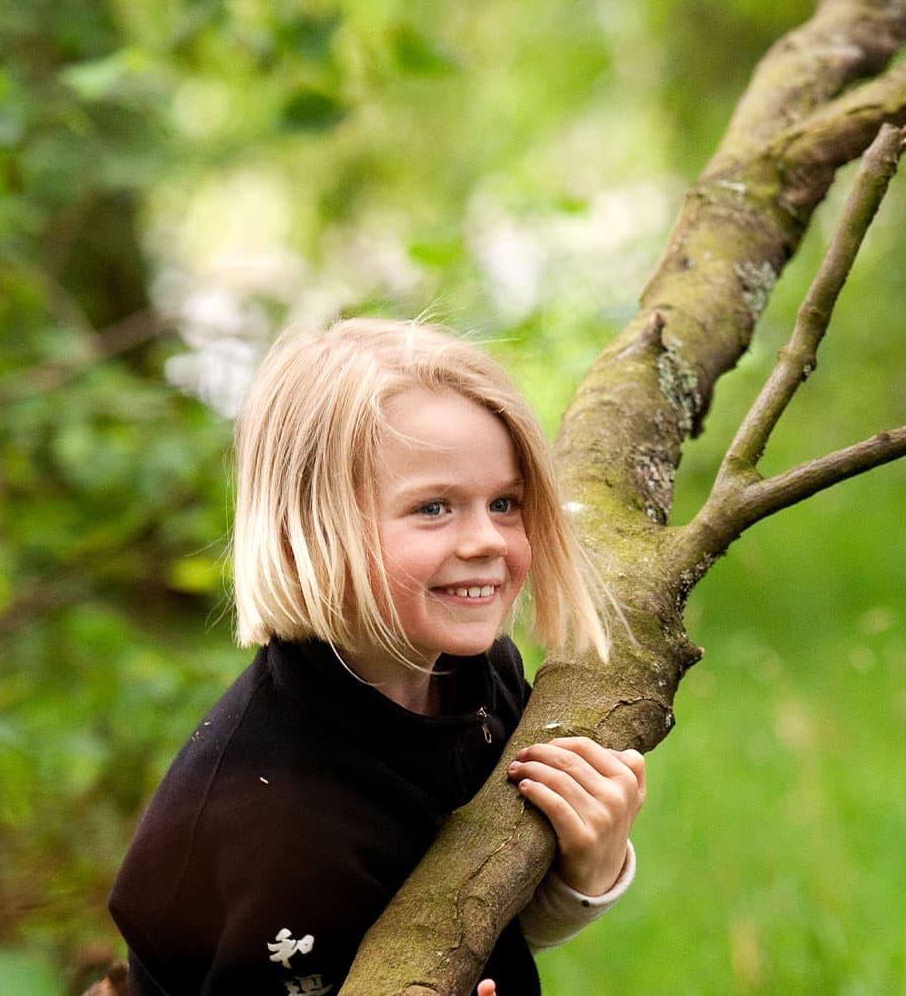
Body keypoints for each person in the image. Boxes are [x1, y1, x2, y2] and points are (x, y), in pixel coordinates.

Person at [109, 319, 645, 996]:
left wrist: (586, 868)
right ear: (310, 527)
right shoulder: (274, 832)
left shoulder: (481, 677)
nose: (485, 539)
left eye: (504, 503)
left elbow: (479, 915)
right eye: (434, 508)